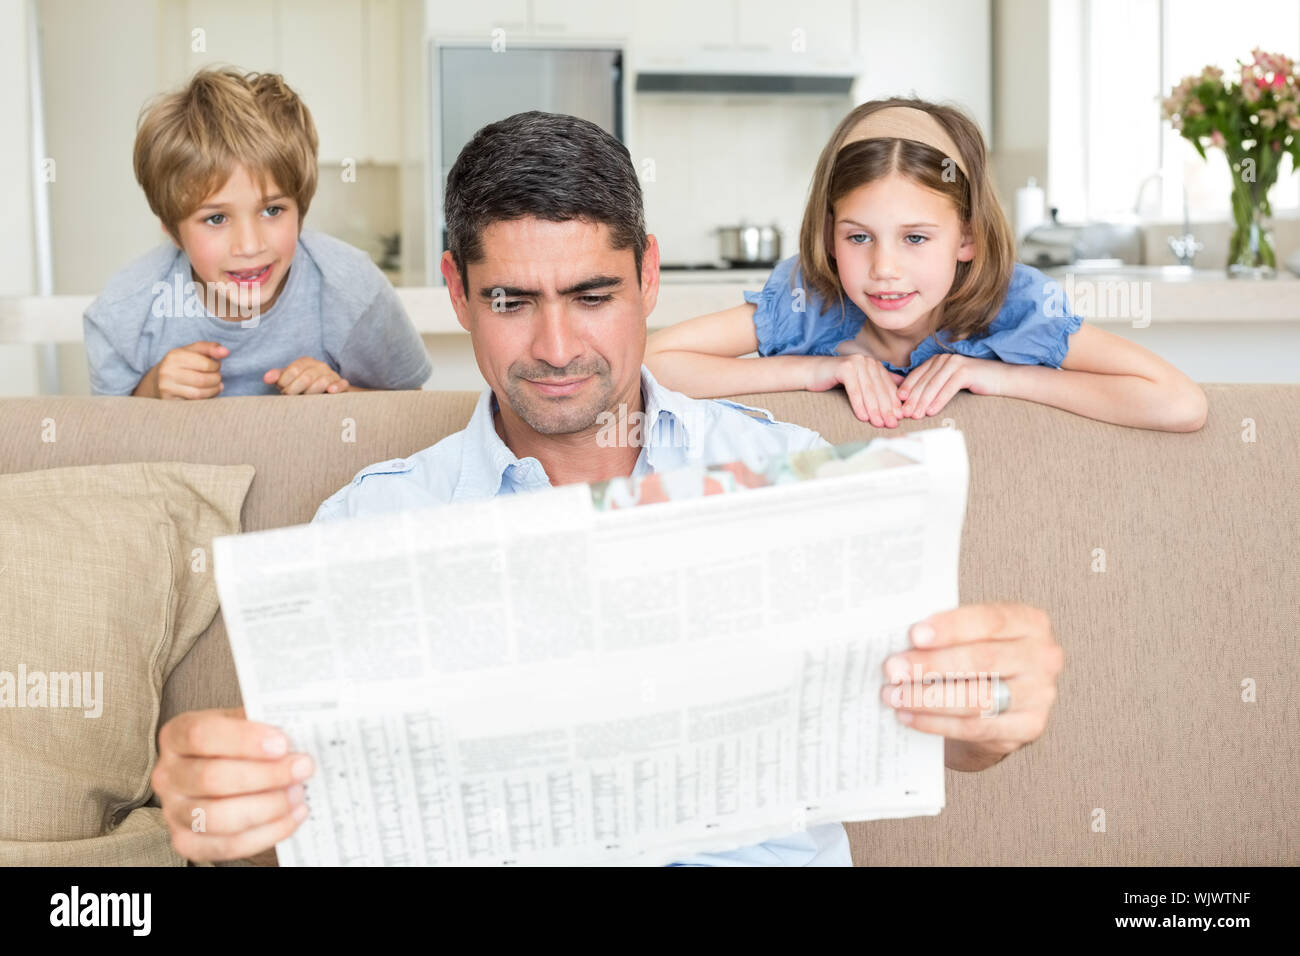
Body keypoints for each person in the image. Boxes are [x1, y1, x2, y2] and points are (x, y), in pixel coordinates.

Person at [151, 111, 1065, 866]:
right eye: (511, 301)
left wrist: (985, 715)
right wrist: (221, 812)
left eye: (592, 296)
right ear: (458, 294)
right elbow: (297, 812)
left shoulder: (788, 485)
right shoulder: (371, 524)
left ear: (651, 277)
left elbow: (925, 724)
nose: (554, 350)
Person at [645, 97, 1207, 433]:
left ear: (966, 237)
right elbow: (652, 363)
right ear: (828, 236)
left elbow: (1181, 403)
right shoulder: (809, 301)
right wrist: (818, 372)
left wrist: (997, 375)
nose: (884, 268)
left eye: (915, 237)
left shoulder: (1013, 309)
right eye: (859, 236)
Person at [83, 68, 432, 398]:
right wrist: (152, 389)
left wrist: (339, 398)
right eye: (216, 218)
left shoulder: (354, 290)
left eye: (272, 211)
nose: (250, 246)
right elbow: (110, 439)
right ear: (173, 231)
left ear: (301, 209)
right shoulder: (124, 314)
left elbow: (412, 413)